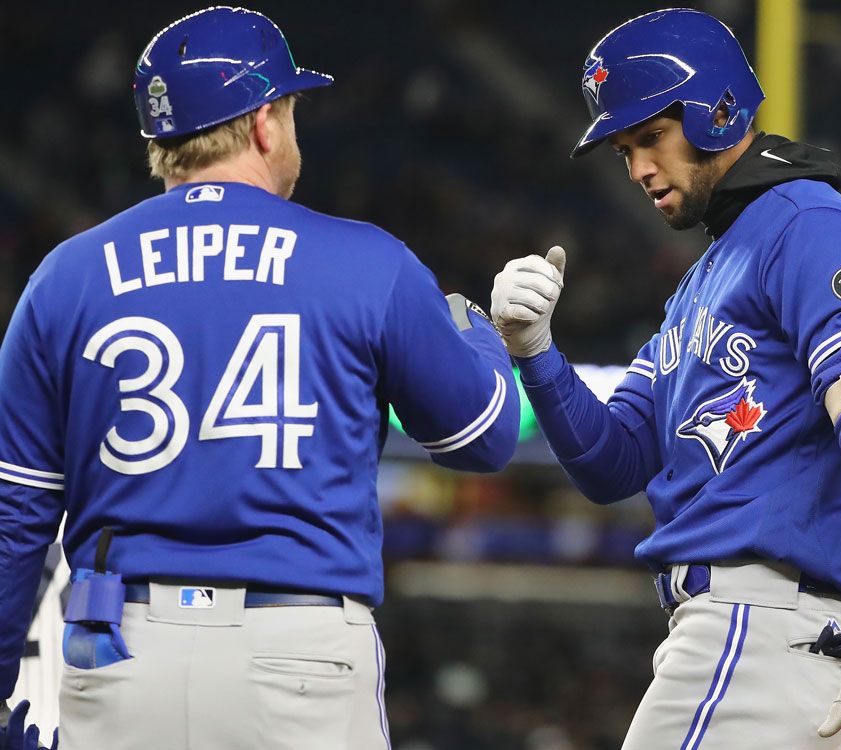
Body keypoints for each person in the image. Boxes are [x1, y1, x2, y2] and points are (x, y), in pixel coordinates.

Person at [0, 7, 519, 749]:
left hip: (119, 655)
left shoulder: (65, 277)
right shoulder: (366, 261)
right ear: (266, 121)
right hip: (296, 652)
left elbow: (15, 515)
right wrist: (481, 335)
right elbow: (485, 441)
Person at [491, 9, 841, 749]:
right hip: (759, 637)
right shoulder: (708, 276)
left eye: (650, 138)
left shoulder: (810, 226)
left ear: (716, 109)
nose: (638, 168)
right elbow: (615, 463)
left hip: (761, 630)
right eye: (623, 150)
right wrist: (536, 352)